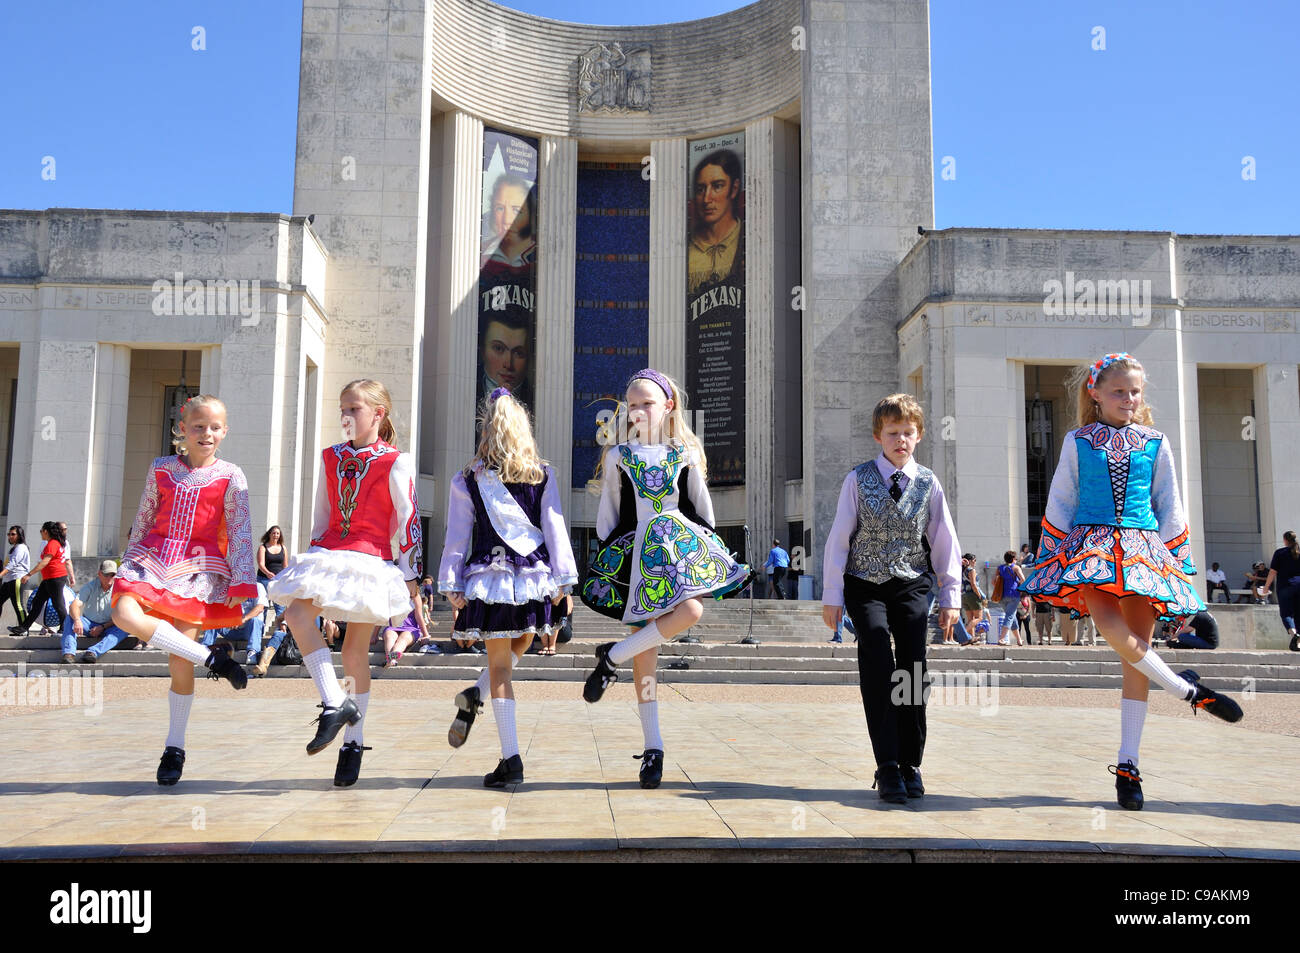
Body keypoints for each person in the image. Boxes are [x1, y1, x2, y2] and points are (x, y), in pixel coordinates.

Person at [1020, 352, 1242, 814]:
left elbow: (1169, 501)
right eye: (1119, 391)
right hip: (1092, 544)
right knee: (1109, 628)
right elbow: (1062, 498)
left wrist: (1179, 562)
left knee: (1135, 658)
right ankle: (1188, 692)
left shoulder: (1156, 441)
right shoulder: (1077, 440)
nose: (1129, 398)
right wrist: (1048, 554)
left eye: (1135, 391)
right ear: (1095, 394)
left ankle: (1128, 765)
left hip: (1144, 549)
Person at [580, 368, 750, 788]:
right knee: (648, 660)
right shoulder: (619, 455)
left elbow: (702, 509)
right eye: (632, 404)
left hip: (679, 551)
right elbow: (610, 515)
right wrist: (613, 562)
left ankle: (611, 657)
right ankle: (652, 747)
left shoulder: (684, 453)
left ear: (668, 406)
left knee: (691, 609)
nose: (638, 410)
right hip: (637, 555)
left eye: (647, 403)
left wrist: (707, 555)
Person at [267, 379, 428, 786]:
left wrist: (411, 576)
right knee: (298, 614)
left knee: (356, 652)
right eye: (343, 408)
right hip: (329, 552)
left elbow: (408, 518)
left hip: (372, 559)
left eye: (355, 408)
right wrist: (314, 565)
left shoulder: (395, 460)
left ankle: (353, 743)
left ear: (379, 414)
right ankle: (334, 702)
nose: (346, 416)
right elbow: (321, 512)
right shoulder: (329, 456)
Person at [821, 393, 961, 804]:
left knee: (913, 665)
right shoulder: (857, 479)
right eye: (892, 433)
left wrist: (951, 594)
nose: (900, 439)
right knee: (877, 650)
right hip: (864, 583)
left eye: (907, 433)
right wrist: (832, 595)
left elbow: (944, 541)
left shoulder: (929, 482)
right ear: (878, 436)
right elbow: (838, 540)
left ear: (918, 436)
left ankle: (910, 763)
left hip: (911, 582)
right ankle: (886, 764)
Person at [108, 395, 256, 785]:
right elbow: (144, 516)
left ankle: (174, 746)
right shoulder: (160, 468)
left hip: (198, 568)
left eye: (214, 427)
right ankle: (215, 660)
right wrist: (128, 560)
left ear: (224, 431)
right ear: (182, 429)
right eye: (198, 426)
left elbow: (240, 530)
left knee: (178, 662)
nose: (206, 433)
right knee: (123, 614)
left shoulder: (231, 474)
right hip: (152, 557)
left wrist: (242, 581)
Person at [440, 389, 578, 786]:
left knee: (503, 663)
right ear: (523, 429)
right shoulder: (542, 474)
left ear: (487, 429)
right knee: (515, 652)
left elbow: (457, 536)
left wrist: (452, 583)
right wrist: (564, 578)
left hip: (492, 580)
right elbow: (554, 527)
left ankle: (510, 757)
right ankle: (478, 704)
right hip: (534, 579)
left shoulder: (468, 478)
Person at [687, 150, 744, 296]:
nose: (707, 199)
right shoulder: (687, 247)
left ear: (734, 189)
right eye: (700, 189)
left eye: (717, 186)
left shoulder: (747, 240)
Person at [68, 561, 135, 663]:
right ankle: (69, 653)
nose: (109, 578)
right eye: (106, 574)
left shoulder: (121, 590)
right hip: (89, 624)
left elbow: (123, 615)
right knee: (70, 618)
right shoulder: (90, 586)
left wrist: (103, 627)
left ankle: (93, 652)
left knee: (126, 626)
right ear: (99, 574)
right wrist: (77, 620)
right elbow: (74, 605)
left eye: (112, 575)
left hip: (110, 626)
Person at [16, 522, 71, 636]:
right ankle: (23, 628)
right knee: (37, 602)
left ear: (46, 531)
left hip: (55, 578)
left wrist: (29, 574)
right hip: (50, 578)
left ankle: (65, 628)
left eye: (41, 531)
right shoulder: (54, 543)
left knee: (58, 604)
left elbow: (45, 562)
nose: (40, 533)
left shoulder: (52, 544)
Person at [1261, 530, 1300, 651]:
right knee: (1298, 614)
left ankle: (1295, 634)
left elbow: (1273, 572)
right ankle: (1298, 643)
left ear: (1285, 540)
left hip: (1285, 586)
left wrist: (1266, 587)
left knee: (1286, 613)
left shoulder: (1280, 553)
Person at [0, 525, 30, 629]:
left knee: (18, 605)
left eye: (13, 534)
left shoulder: (21, 547)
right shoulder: (14, 548)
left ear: (19, 535)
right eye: (9, 534)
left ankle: (24, 628)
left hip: (17, 579)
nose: (10, 536)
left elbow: (12, 564)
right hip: (8, 581)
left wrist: (1, 575)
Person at [994, 551, 1025, 647]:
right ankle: (1002, 638)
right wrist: (1018, 587)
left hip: (1002, 596)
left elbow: (994, 581)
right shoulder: (1016, 567)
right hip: (1014, 594)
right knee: (1009, 616)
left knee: (1012, 617)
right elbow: (1023, 579)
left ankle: (1019, 640)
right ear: (1013, 559)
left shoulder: (1000, 568)